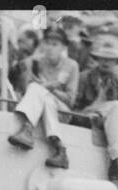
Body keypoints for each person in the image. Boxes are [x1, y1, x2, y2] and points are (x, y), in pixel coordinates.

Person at [6, 25, 76, 169]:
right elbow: (24, 87)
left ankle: (27, 129)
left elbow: (71, 100)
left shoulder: (71, 65)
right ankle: (59, 147)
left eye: (55, 44)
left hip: (62, 111)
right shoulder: (36, 61)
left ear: (63, 48)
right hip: (42, 108)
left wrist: (50, 87)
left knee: (39, 90)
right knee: (40, 92)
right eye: (47, 43)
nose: (50, 48)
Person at [74, 34, 118, 182]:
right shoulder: (85, 77)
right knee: (116, 105)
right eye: (102, 58)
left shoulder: (115, 80)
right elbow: (75, 106)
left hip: (108, 118)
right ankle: (115, 158)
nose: (105, 62)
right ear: (97, 59)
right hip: (88, 115)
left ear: (116, 62)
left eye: (110, 60)